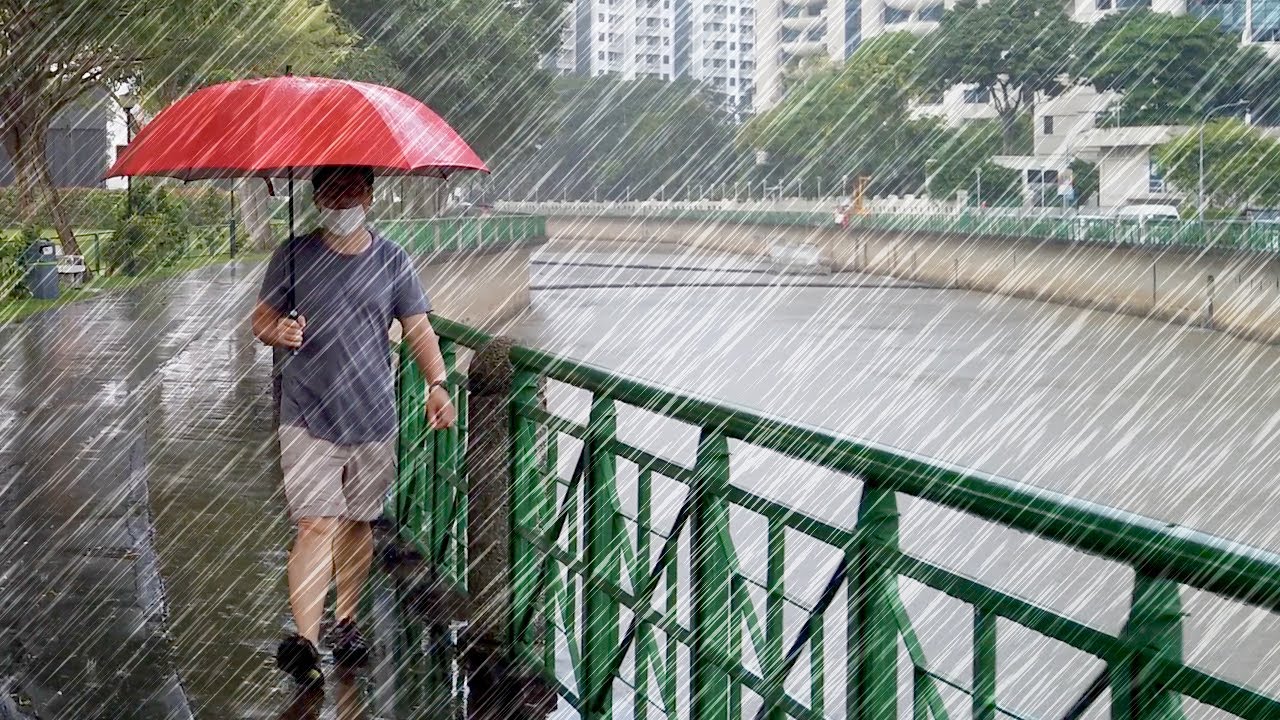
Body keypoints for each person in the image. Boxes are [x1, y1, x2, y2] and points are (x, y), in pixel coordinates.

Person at [251, 165, 456, 686]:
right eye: (329, 191)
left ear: (368, 194)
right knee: (316, 522)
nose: (340, 201)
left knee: (358, 523)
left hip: (372, 415)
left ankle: (346, 621)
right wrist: (280, 331)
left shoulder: (393, 260)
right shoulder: (293, 255)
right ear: (315, 196)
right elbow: (260, 320)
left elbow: (418, 327)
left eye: (350, 191)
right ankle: (305, 640)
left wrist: (436, 382)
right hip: (306, 413)